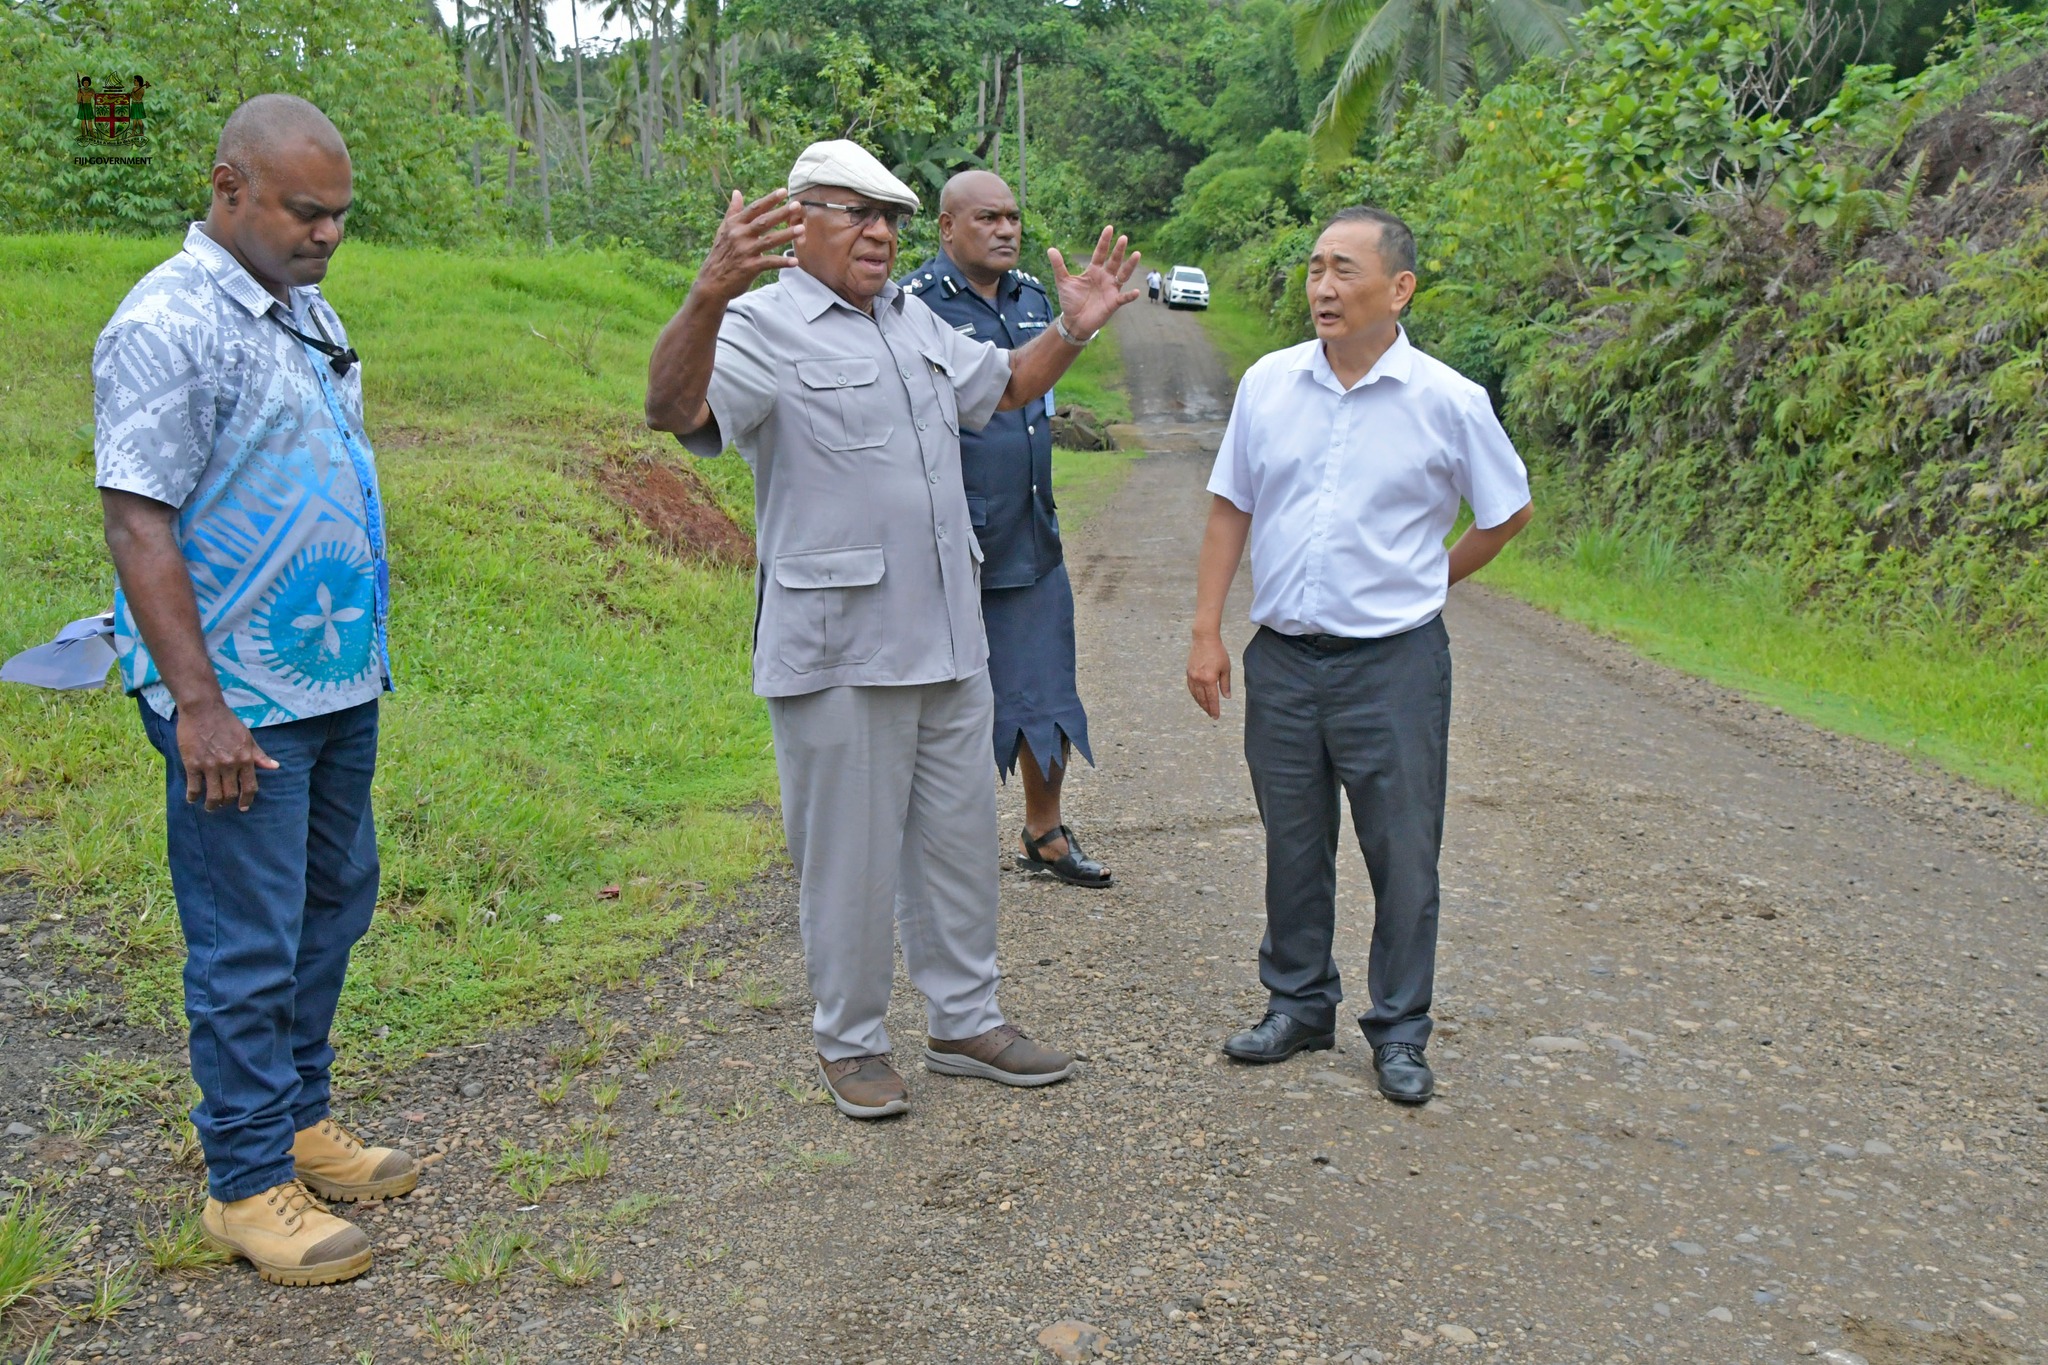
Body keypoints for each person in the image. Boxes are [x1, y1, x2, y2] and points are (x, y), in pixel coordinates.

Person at [644, 141, 1141, 1120]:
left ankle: (964, 1021)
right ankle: (851, 1040)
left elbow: (1001, 387)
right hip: (838, 651)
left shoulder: (911, 318)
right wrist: (706, 291)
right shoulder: (759, 324)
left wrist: (1072, 334)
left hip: (949, 638)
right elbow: (672, 408)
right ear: (798, 222)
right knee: (848, 860)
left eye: (891, 219)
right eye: (855, 214)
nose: (879, 234)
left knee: (957, 844)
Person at [94, 94, 419, 1286]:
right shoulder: (165, 322)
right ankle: (243, 1182)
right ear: (229, 186)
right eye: (303, 211)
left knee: (332, 901)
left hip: (329, 677)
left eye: (339, 215)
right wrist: (198, 705)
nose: (327, 234)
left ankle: (295, 1117)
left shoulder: (302, 309)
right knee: (246, 936)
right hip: (233, 699)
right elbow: (138, 520)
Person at [1184, 206, 1533, 1104]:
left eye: (1344, 270)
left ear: (1399, 287)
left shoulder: (1450, 401)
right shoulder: (1268, 384)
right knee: (1292, 843)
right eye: (1314, 270)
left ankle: (1401, 1030)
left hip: (1394, 667)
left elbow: (1506, 512)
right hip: (1287, 661)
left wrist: (1428, 581)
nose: (1323, 288)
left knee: (1403, 850)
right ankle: (1297, 1004)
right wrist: (1205, 629)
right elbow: (1232, 506)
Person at [901, 170, 1111, 889]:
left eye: (1014, 217)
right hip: (945, 540)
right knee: (931, 693)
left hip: (1030, 527)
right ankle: (925, 842)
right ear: (947, 228)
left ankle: (1045, 831)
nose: (1006, 229)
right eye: (987, 217)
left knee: (1043, 686)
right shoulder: (910, 305)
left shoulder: (1030, 298)